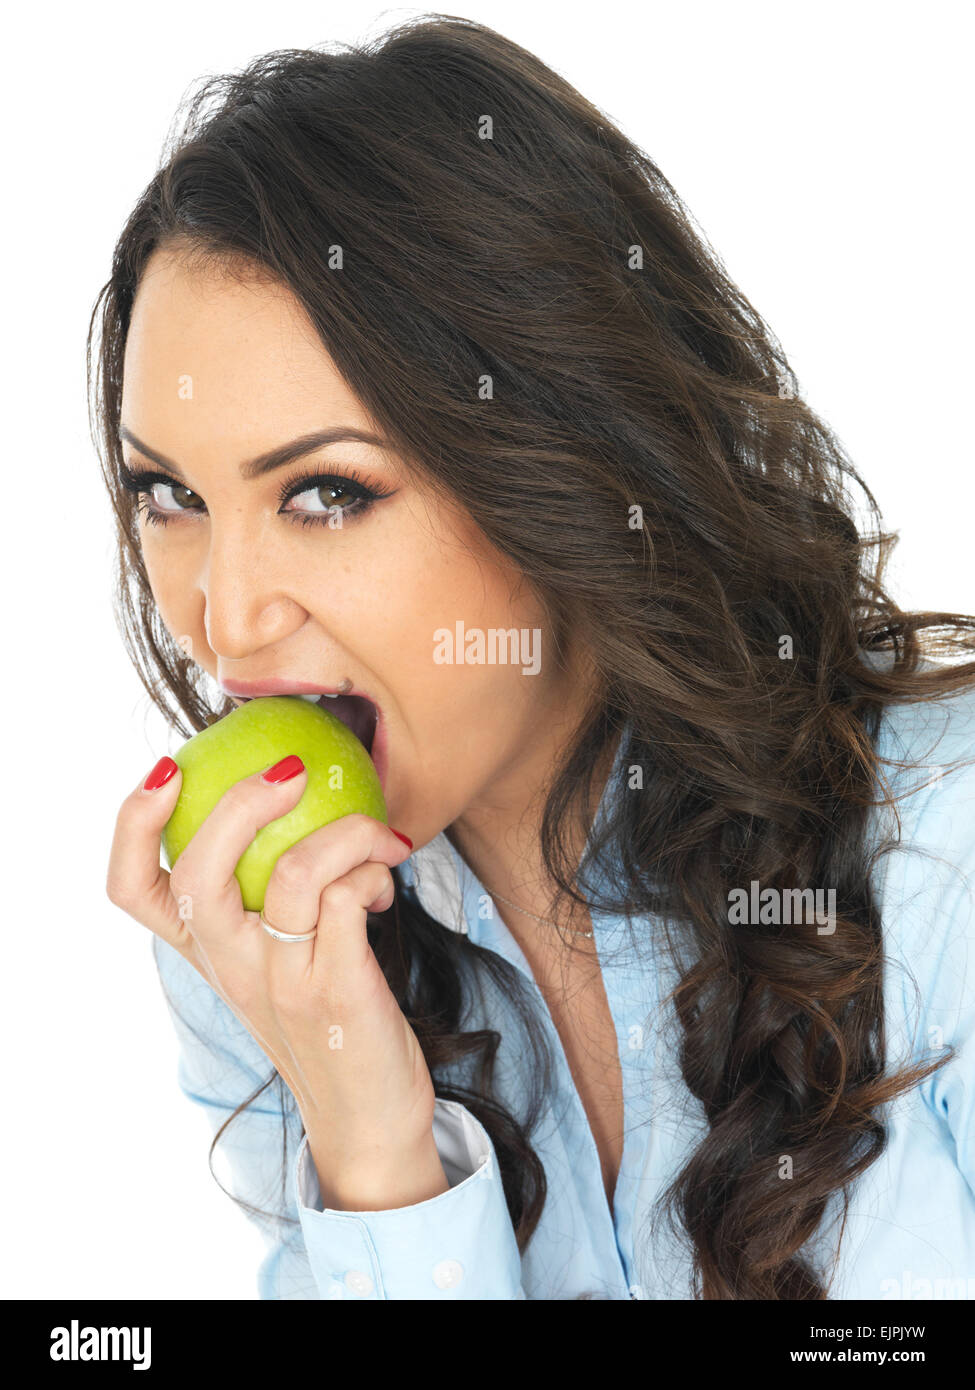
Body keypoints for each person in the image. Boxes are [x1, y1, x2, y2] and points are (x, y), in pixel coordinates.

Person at [96, 16, 975, 1299]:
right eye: (169, 496)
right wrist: (375, 1155)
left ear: (561, 477)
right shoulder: (265, 952)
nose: (223, 625)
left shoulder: (941, 846)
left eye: (328, 493)